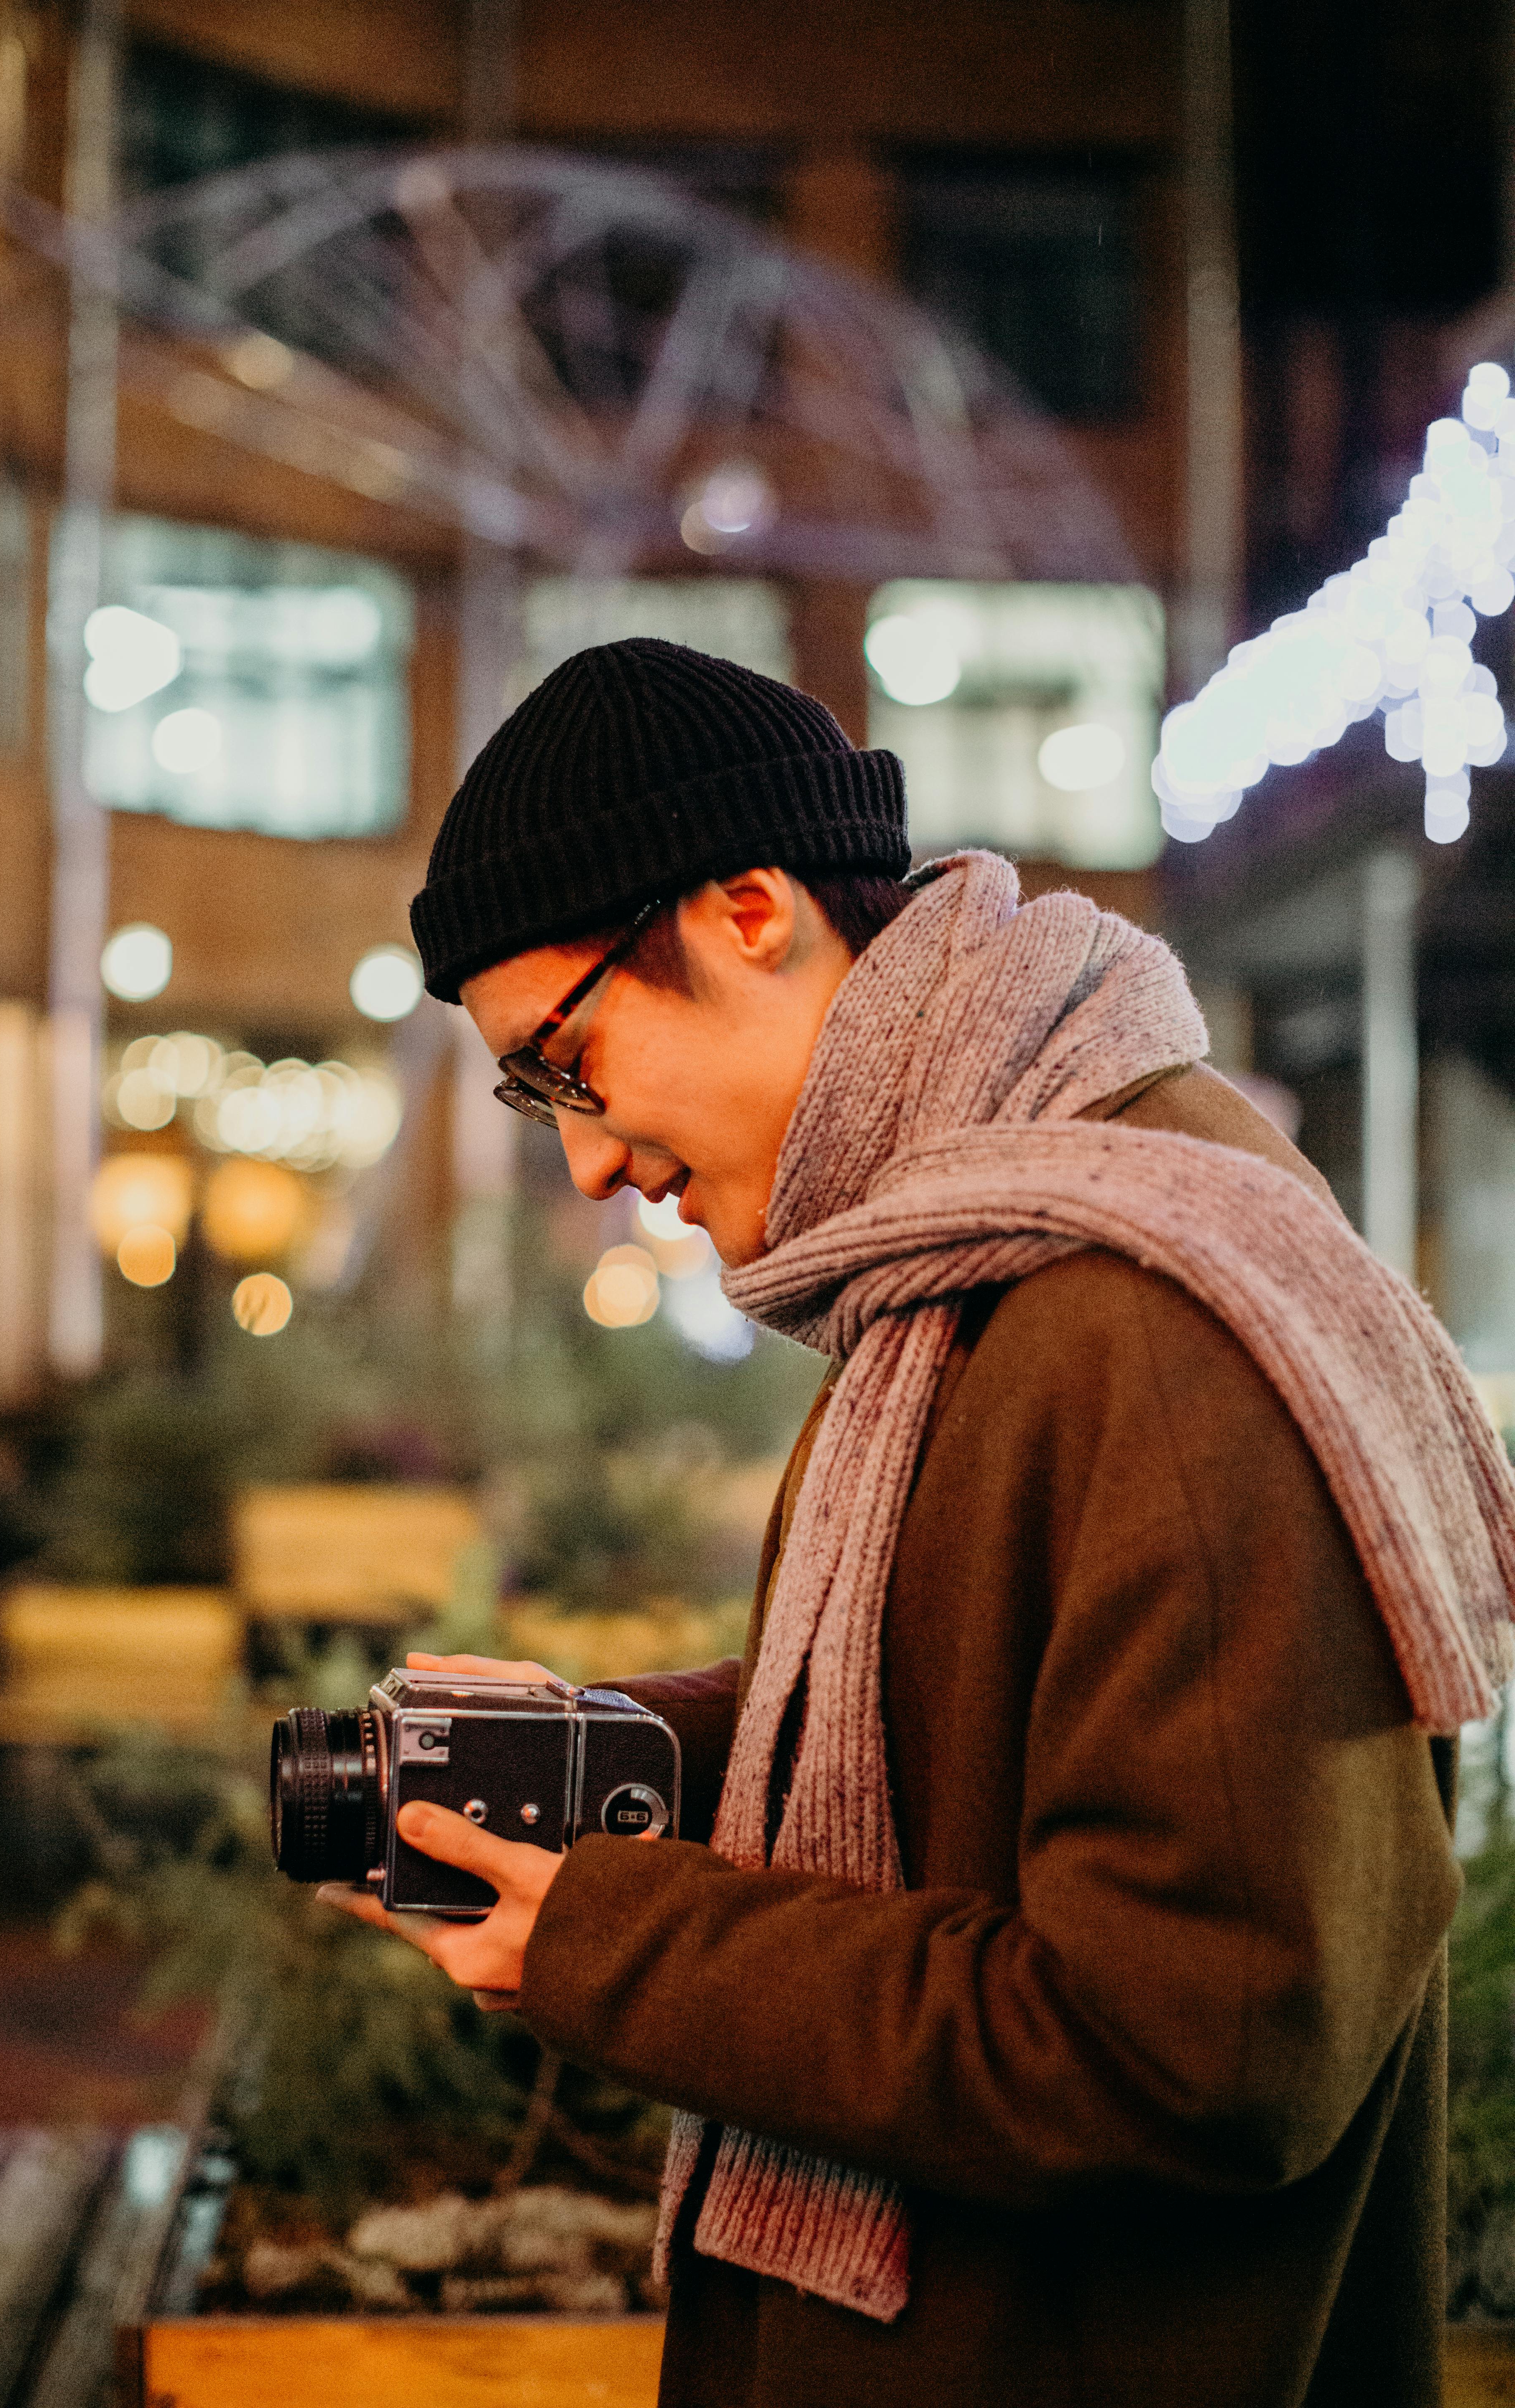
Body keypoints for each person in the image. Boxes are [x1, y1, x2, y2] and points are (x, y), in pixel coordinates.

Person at [321, 637, 1515, 2408]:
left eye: (564, 1063)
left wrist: (622, 1945)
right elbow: (953, 1708)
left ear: (746, 912)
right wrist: (616, 1754)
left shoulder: (1154, 1319)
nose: (582, 1159)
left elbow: (1198, 2046)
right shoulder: (977, 1251)